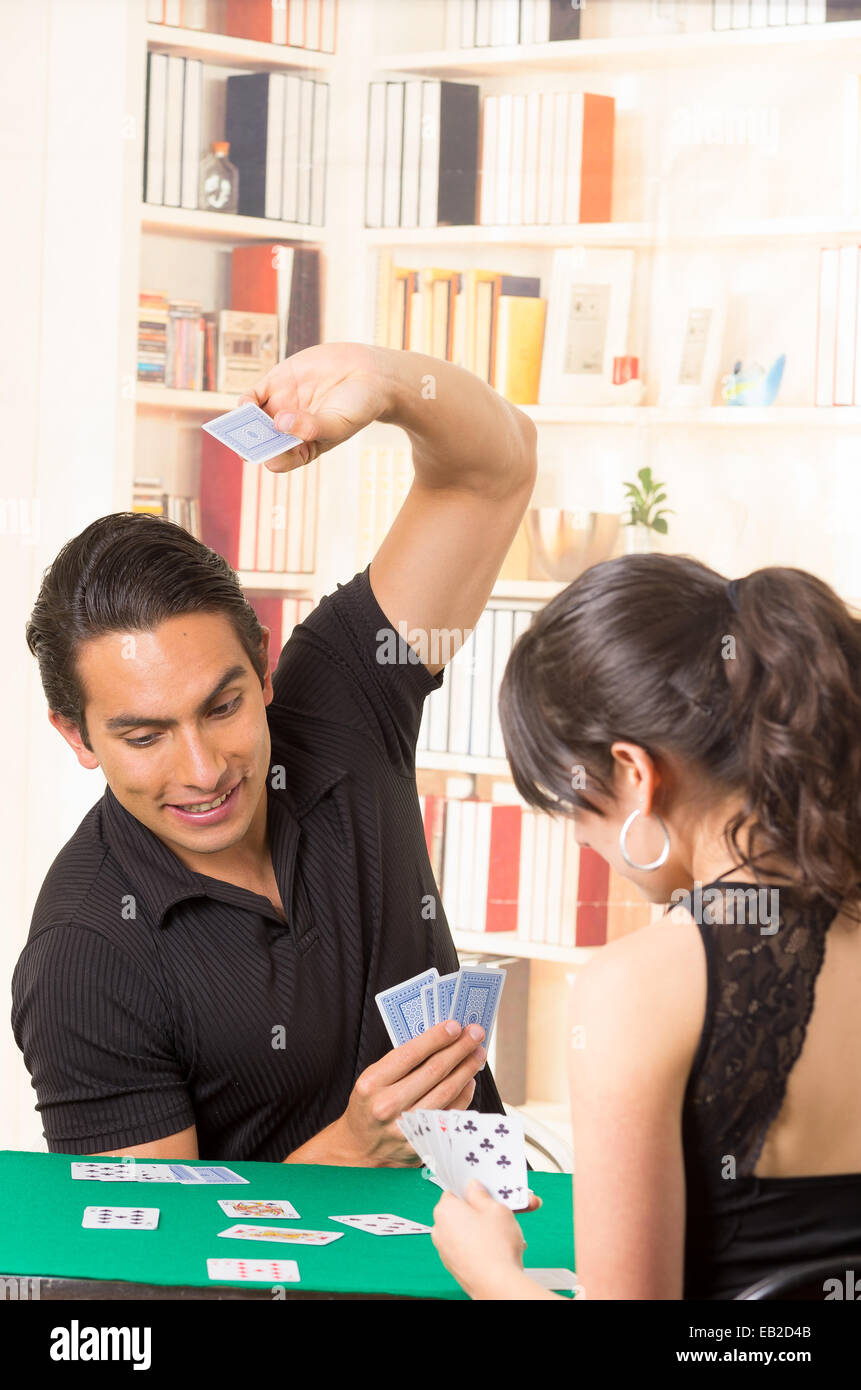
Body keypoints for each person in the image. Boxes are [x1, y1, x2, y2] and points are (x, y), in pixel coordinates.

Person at [12, 341, 537, 1164]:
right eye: (144, 735)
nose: (203, 768)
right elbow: (154, 1265)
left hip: (500, 1272)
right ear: (76, 736)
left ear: (262, 666)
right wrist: (354, 1146)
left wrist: (390, 386)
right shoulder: (84, 954)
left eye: (222, 706)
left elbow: (491, 472)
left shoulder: (340, 700)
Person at [430, 554, 861, 1299]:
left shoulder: (636, 990)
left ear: (633, 771)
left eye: (572, 805)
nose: (577, 838)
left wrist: (489, 1272)